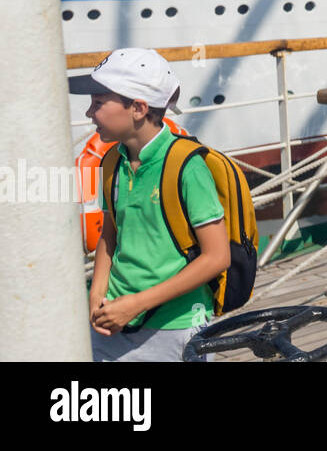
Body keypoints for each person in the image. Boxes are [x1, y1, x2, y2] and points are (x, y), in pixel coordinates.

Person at [73, 48, 229, 361]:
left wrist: (137, 303)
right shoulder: (111, 162)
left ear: (139, 108)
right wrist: (96, 292)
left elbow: (217, 257)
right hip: (113, 321)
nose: (89, 113)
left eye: (99, 103)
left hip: (176, 328)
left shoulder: (186, 166)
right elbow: (110, 233)